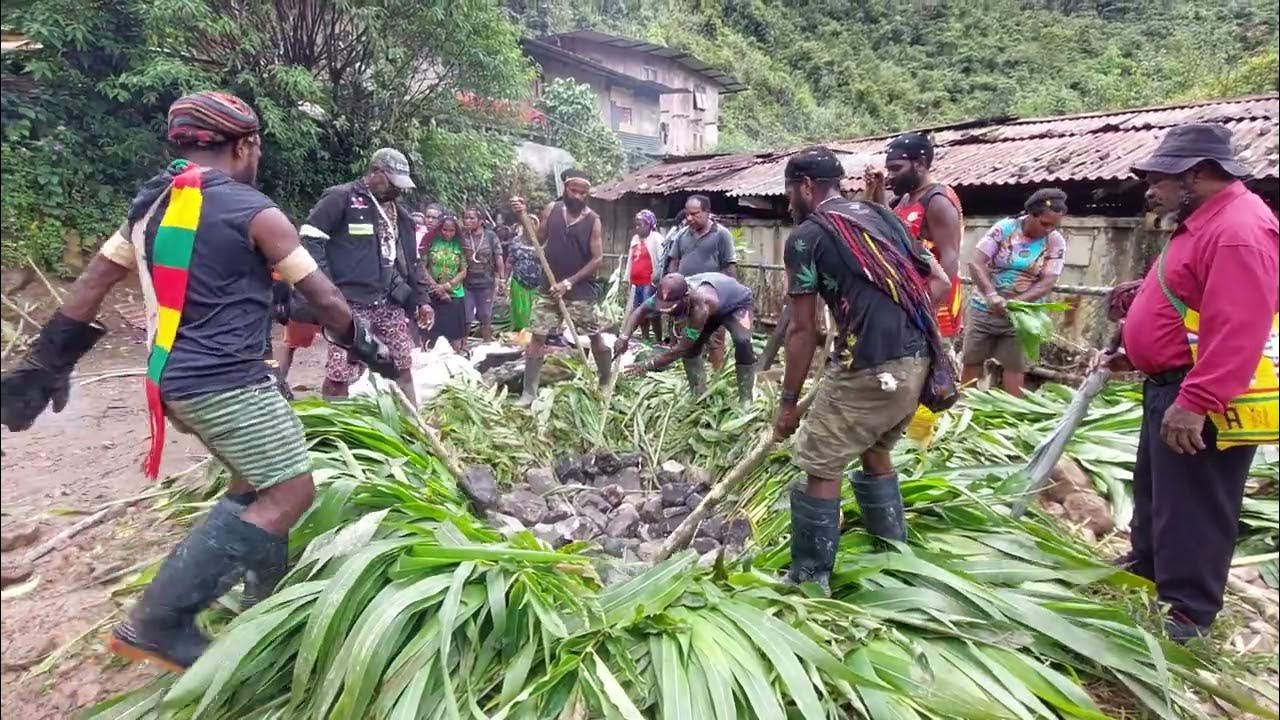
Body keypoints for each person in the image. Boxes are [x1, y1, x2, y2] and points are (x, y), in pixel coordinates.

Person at [0, 91, 397, 671]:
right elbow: (325, 298)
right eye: (257, 146)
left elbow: (92, 283)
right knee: (291, 492)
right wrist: (368, 346)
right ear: (245, 145)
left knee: (253, 480)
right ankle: (157, 624)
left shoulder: (150, 207)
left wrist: (46, 362)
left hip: (173, 382)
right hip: (229, 383)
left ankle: (263, 602)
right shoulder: (256, 212)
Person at [1094, 123, 1278, 642]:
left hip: (1199, 392)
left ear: (1197, 174)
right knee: (1159, 493)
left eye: (1160, 179)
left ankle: (1187, 615)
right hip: (1170, 383)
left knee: (1194, 505)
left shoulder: (1239, 230)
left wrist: (1197, 400)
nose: (1152, 189)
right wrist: (1137, 343)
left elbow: (1239, 326)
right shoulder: (1204, 223)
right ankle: (1149, 570)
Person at [774, 147, 953, 593]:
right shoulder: (883, 218)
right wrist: (897, 322)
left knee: (822, 463)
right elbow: (940, 281)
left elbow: (803, 330)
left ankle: (809, 578)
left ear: (806, 187)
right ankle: (892, 551)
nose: (788, 202)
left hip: (869, 369)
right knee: (874, 451)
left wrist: (788, 404)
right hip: (915, 363)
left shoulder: (807, 237)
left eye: (790, 191)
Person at [299, 148, 431, 402]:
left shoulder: (400, 215)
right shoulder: (342, 198)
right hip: (349, 304)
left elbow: (412, 261)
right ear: (376, 172)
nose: (397, 191)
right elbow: (310, 238)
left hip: (388, 301)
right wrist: (326, 286)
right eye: (393, 183)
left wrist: (422, 300)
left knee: (402, 363)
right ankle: (334, 421)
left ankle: (411, 419)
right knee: (341, 371)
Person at [510, 169, 611, 406]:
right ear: (565, 188)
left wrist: (569, 282)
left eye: (583, 193)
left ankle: (605, 381)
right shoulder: (552, 210)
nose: (578, 196)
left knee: (594, 335)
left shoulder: (593, 220)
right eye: (574, 191)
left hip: (579, 290)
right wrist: (522, 217)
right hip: (548, 286)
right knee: (537, 337)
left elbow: (597, 259)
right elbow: (536, 239)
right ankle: (529, 393)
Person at [963, 188, 1069, 396]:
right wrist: (992, 295)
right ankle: (964, 404)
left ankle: (1012, 410)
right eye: (1044, 224)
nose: (1049, 230)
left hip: (1021, 315)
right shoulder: (1005, 228)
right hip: (984, 308)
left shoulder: (1055, 241)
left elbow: (1048, 280)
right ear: (1030, 214)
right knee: (972, 360)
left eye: (1054, 226)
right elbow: (976, 263)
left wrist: (1015, 303)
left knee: (1015, 365)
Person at [868, 133, 964, 333]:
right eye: (888, 169)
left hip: (932, 308)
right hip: (912, 300)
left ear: (920, 164)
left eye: (896, 169)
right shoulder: (907, 198)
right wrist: (878, 190)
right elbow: (894, 228)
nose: (890, 176)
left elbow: (950, 258)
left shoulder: (938, 201)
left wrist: (926, 308)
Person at [616, 272, 756, 404]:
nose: (667, 312)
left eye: (671, 308)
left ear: (685, 298)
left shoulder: (700, 307)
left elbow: (681, 348)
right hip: (712, 307)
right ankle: (698, 394)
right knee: (692, 350)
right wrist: (624, 337)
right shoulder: (666, 294)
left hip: (736, 305)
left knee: (742, 342)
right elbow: (640, 311)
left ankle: (746, 399)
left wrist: (648, 365)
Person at [665, 195, 737, 367]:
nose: (689, 218)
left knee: (714, 341)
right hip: (687, 298)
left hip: (711, 298)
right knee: (686, 339)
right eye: (687, 214)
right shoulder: (682, 235)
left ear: (707, 212)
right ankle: (690, 375)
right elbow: (674, 262)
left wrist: (727, 298)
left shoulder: (721, 235)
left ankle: (717, 376)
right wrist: (673, 289)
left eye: (695, 214)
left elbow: (729, 268)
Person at [420, 216, 468, 352]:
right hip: (432, 294)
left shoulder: (460, 245)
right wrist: (435, 286)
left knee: (454, 334)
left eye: (451, 231)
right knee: (430, 332)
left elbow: (464, 270)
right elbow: (422, 267)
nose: (448, 233)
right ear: (440, 229)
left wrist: (447, 286)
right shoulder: (430, 243)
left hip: (454, 294)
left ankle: (455, 359)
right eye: (445, 230)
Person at [461, 207, 505, 343]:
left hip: (486, 284)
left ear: (480, 221)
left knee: (485, 316)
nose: (468, 221)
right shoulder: (462, 236)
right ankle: (462, 347)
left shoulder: (490, 236)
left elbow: (498, 258)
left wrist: (502, 279)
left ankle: (487, 344)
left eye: (471, 218)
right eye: (466, 218)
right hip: (466, 284)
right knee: (466, 317)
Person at [628, 210, 664, 341]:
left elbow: (662, 261)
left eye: (641, 225)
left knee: (653, 313)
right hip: (636, 283)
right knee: (639, 312)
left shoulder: (657, 239)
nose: (637, 228)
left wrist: (657, 280)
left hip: (650, 282)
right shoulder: (635, 239)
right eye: (636, 225)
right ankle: (645, 338)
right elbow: (630, 260)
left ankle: (658, 340)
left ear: (649, 225)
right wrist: (628, 279)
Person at [507, 216, 542, 332]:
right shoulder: (516, 242)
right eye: (527, 224)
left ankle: (534, 337)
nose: (530, 227)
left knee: (536, 315)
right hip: (519, 282)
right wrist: (503, 280)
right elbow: (510, 261)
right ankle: (521, 336)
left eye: (534, 224)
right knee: (520, 313)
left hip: (538, 285)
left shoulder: (543, 243)